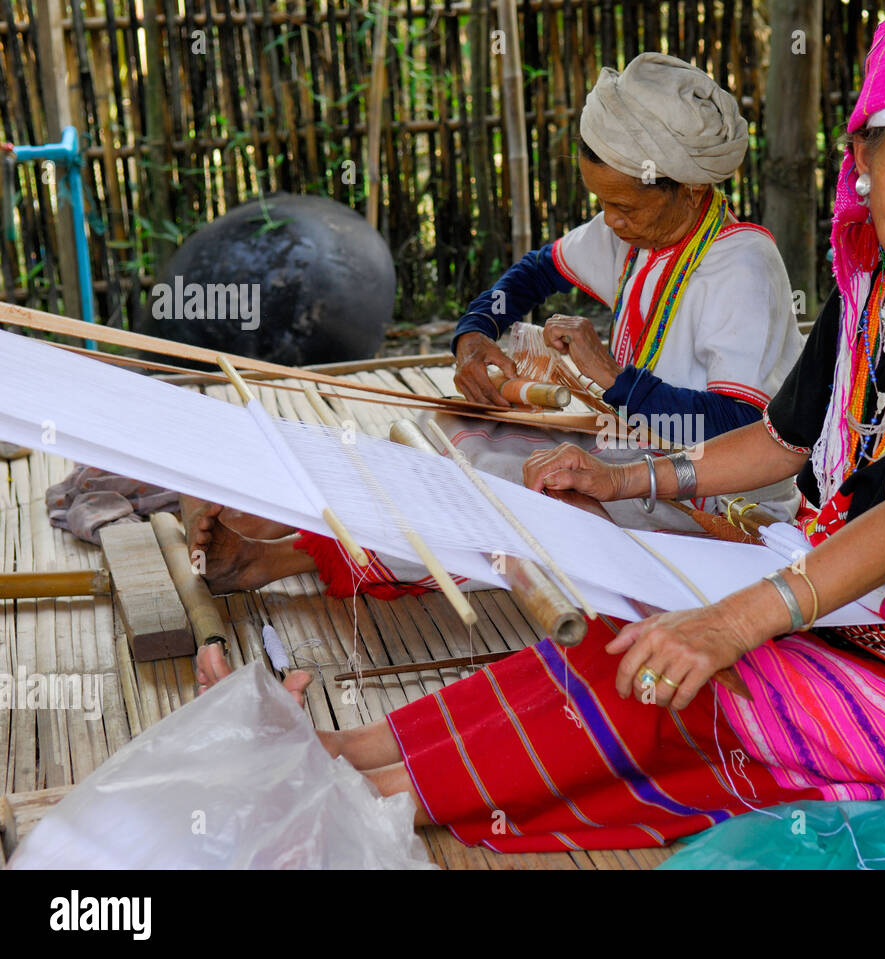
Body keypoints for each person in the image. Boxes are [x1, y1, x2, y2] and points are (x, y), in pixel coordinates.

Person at [214, 5, 885, 853]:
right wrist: (625, 480)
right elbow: (786, 441)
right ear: (866, 165)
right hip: (852, 629)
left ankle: (369, 798)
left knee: (669, 670)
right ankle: (350, 752)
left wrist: (731, 624)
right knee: (631, 631)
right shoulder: (869, 290)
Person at [185, 51, 803, 600]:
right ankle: (301, 517)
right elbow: (534, 273)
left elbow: (748, 431)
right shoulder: (642, 232)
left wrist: (613, 377)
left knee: (507, 488)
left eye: (623, 206)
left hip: (716, 503)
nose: (609, 223)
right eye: (602, 204)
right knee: (455, 426)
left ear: (690, 194)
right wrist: (475, 332)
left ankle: (276, 557)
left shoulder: (740, 267)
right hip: (634, 445)